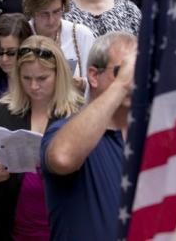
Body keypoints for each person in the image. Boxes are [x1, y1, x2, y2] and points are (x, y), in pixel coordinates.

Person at [0, 36, 83, 240]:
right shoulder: (3, 110)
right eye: (26, 78)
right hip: (12, 227)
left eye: (42, 78)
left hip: (65, 226)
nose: (34, 86)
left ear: (59, 76)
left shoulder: (77, 114)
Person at [41, 32, 137, 240]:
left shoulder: (146, 137)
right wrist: (120, 86)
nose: (133, 81)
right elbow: (62, 158)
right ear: (93, 76)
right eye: (123, 71)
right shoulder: (65, 130)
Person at [23, 0, 96, 94]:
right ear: (32, 10)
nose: (51, 20)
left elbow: (96, 82)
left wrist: (82, 83)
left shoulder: (81, 34)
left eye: (57, 12)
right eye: (44, 13)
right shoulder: (22, 34)